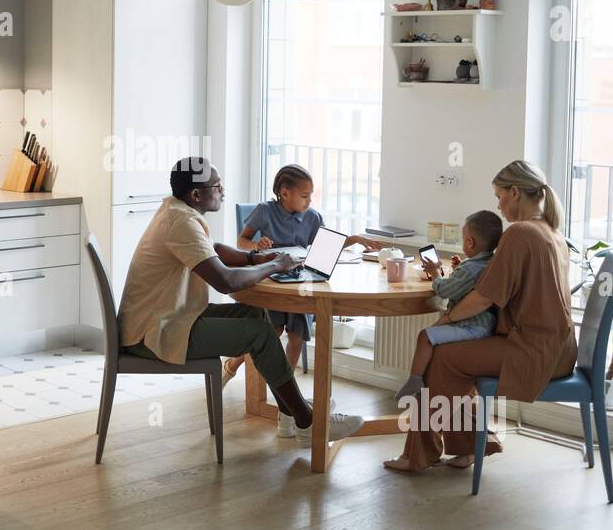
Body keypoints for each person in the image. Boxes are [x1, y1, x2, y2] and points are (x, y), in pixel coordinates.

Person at [118, 157, 366, 445]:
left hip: (167, 317)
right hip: (153, 332)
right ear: (197, 194)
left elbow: (215, 250)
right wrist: (275, 266)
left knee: (256, 315)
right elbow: (226, 282)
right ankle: (307, 421)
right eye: (217, 185)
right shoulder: (181, 221)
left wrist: (254, 258)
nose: (223, 191)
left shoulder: (177, 210)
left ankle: (293, 411)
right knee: (260, 334)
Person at [383, 160, 577, 474]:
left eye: (499, 196)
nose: (498, 205)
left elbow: (484, 296)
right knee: (449, 358)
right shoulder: (551, 232)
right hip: (559, 349)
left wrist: (448, 319)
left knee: (442, 357)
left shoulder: (521, 233)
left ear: (515, 192)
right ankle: (470, 446)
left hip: (534, 351)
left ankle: (420, 454)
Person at [228, 163, 376, 437]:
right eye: (305, 195)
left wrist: (352, 239)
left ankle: (286, 409)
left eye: (311, 195)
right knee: (271, 333)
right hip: (272, 281)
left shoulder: (313, 217)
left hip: (299, 282)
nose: (310, 201)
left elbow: (322, 249)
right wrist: (256, 246)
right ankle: (237, 366)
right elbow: (242, 241)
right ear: (285, 193)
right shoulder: (264, 211)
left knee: (296, 337)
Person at [393, 210, 503, 403]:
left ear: (469, 242)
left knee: (425, 336)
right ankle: (423, 384)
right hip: (484, 325)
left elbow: (445, 290)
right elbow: (468, 286)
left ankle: (415, 379)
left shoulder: (469, 269)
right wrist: (458, 270)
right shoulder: (490, 263)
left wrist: (436, 274)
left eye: (463, 239)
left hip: (471, 327)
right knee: (434, 333)